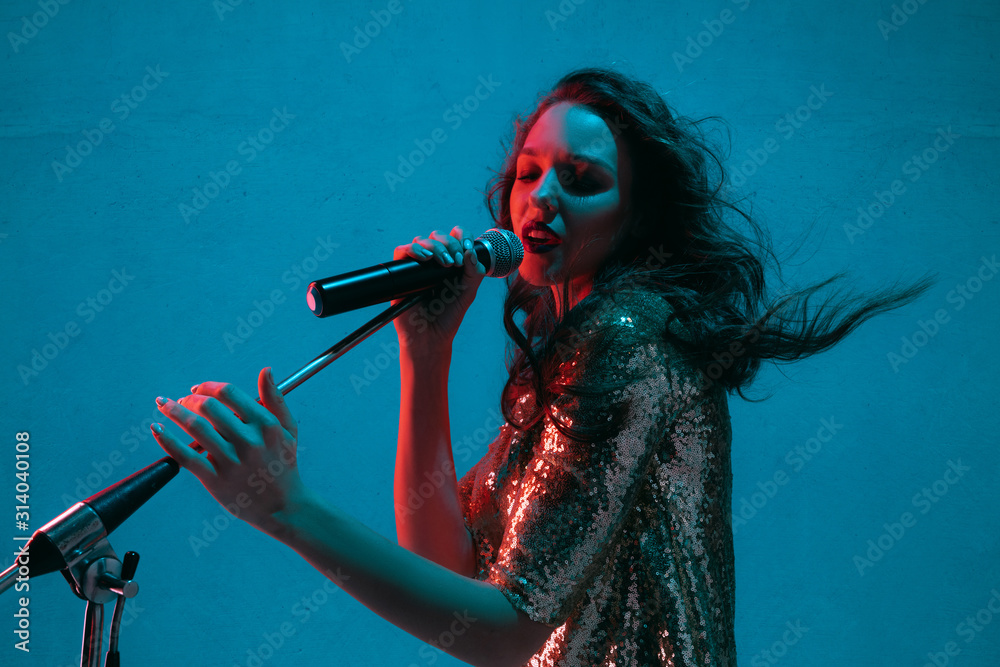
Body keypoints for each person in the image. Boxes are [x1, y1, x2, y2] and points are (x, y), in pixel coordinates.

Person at [151, 67, 934, 666]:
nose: (541, 198)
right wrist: (426, 354)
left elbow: (506, 632)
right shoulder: (562, 363)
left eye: (583, 181)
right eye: (529, 173)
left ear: (636, 218)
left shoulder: (624, 340)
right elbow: (449, 572)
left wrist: (284, 508)